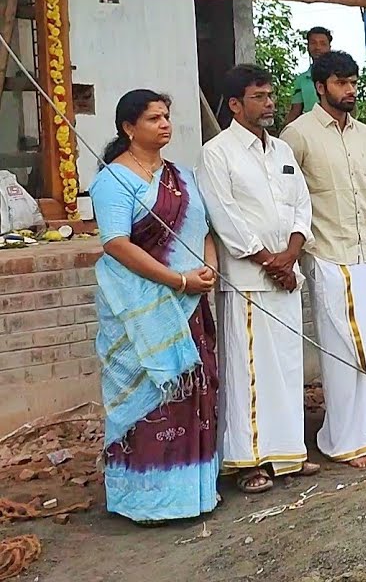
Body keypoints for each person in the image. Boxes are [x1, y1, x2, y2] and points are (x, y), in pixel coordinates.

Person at [89, 89, 220, 525]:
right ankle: (143, 499)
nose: (164, 124)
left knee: (192, 394)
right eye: (153, 118)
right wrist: (177, 279)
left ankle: (192, 492)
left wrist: (206, 270)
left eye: (166, 116)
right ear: (128, 127)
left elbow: (203, 229)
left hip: (189, 305)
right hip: (139, 310)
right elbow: (117, 245)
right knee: (147, 395)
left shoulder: (181, 176)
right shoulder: (113, 180)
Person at [197, 63, 320, 494]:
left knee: (286, 367)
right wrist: (269, 259)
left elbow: (301, 205)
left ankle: (288, 453)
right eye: (259, 97)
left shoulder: (283, 151)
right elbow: (224, 216)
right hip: (250, 278)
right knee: (249, 370)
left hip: (286, 276)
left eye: (271, 96)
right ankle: (249, 461)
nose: (269, 104)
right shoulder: (218, 152)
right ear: (235, 104)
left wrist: (291, 255)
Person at [280, 50, 366, 468]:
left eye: (353, 83)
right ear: (320, 86)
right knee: (342, 349)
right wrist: (294, 255)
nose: (350, 90)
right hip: (326, 253)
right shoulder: (297, 135)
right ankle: (346, 441)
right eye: (341, 83)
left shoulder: (365, 134)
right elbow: (288, 201)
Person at [283, 26, 333, 125]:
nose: (317, 47)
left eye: (323, 44)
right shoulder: (302, 79)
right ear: (308, 46)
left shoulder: (340, 76)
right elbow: (295, 111)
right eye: (313, 43)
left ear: (329, 48)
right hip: (310, 129)